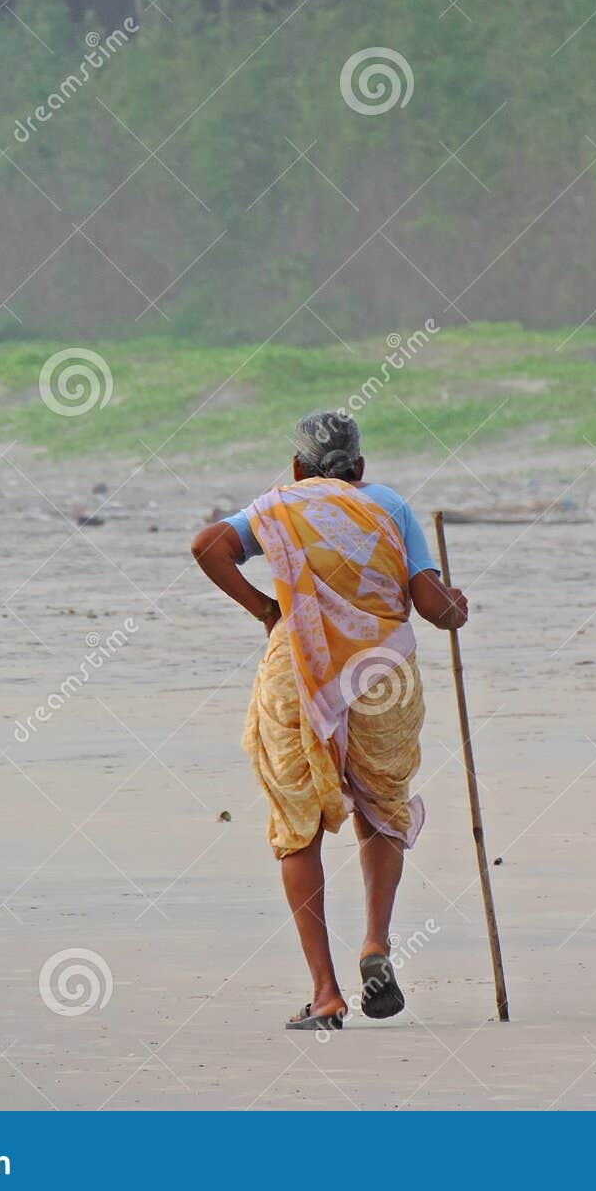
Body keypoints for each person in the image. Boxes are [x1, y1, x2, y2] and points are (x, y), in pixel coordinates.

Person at [192, 411, 468, 1030]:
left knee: (299, 823)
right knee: (382, 807)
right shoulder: (388, 504)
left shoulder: (280, 506)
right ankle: (375, 944)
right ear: (360, 469)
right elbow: (430, 605)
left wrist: (265, 607)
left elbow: (207, 546)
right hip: (382, 678)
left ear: (296, 468)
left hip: (300, 673)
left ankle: (326, 993)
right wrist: (456, 609)